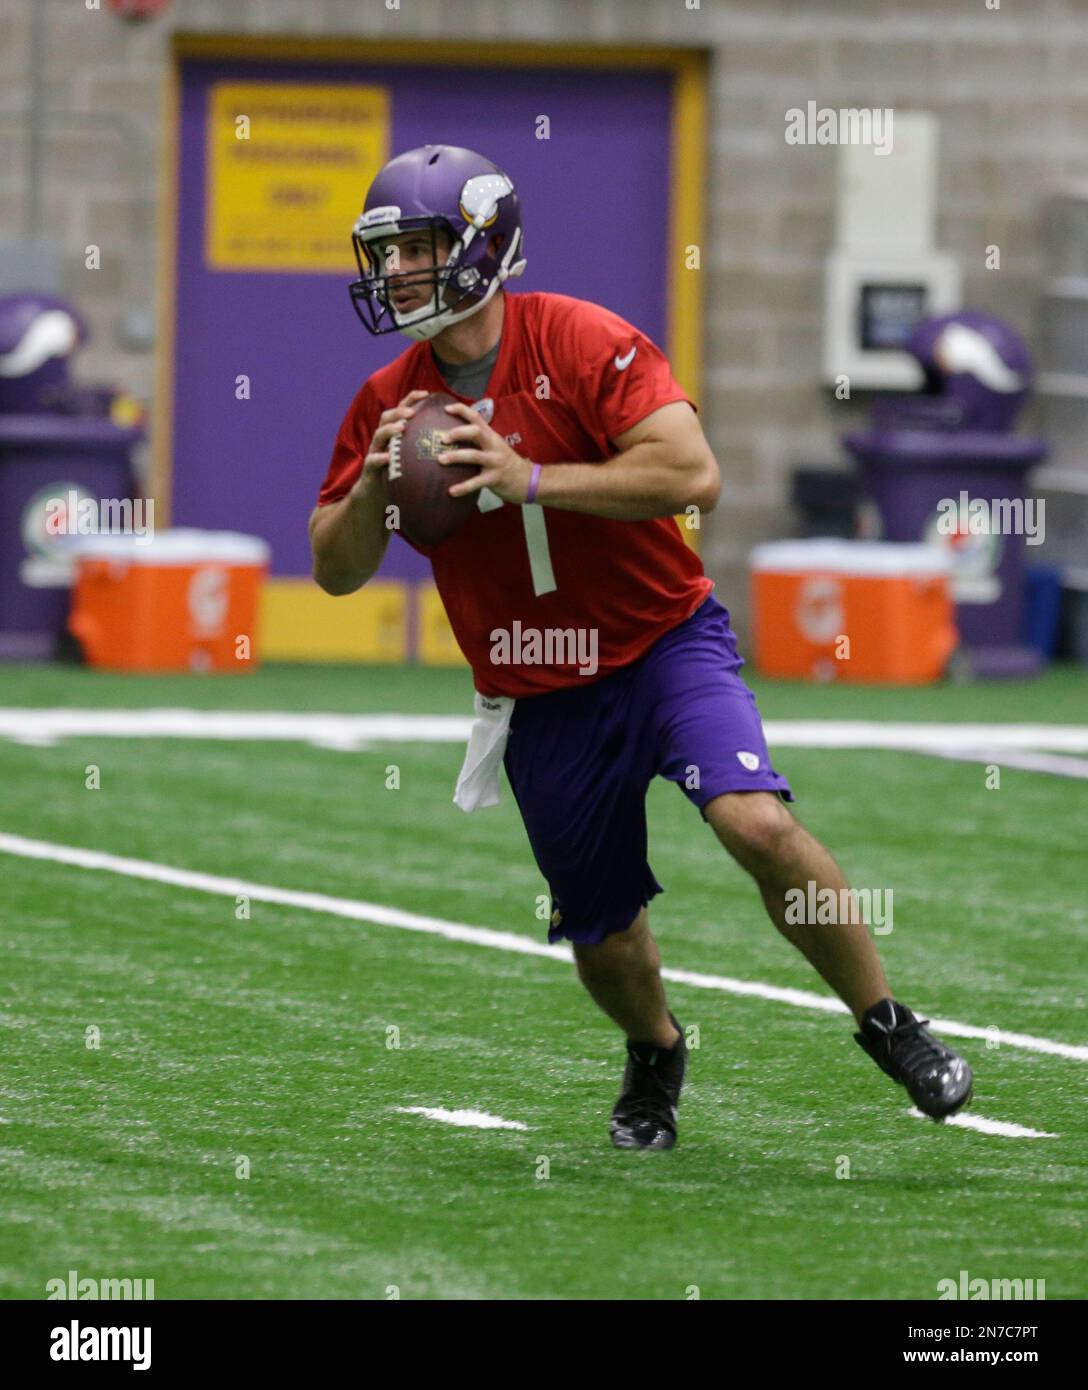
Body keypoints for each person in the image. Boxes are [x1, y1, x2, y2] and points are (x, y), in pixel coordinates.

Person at [310, 144, 972, 1150]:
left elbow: (691, 473)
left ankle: (887, 1022)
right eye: (387, 250)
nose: (398, 269)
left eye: (419, 246)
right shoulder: (385, 399)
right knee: (604, 936)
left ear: (483, 246)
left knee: (753, 821)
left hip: (661, 642)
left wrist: (531, 477)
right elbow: (333, 569)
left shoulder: (582, 340)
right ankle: (655, 1048)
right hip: (537, 689)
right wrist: (369, 486)